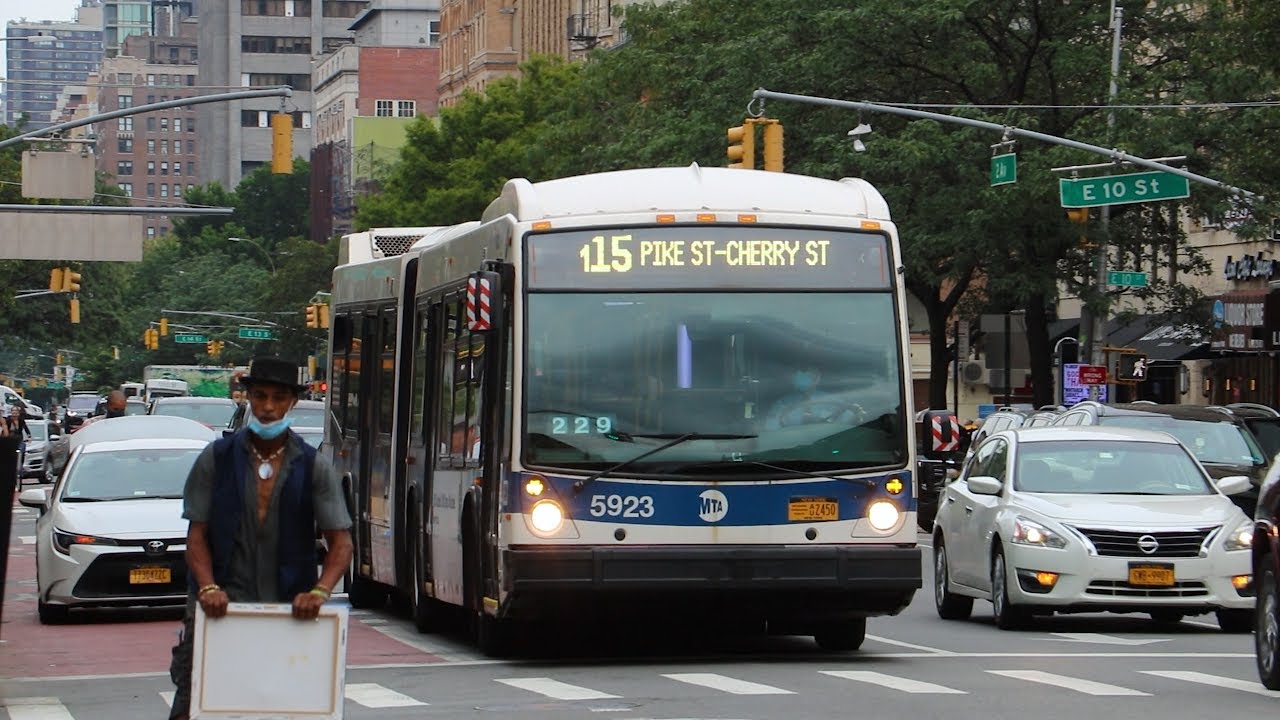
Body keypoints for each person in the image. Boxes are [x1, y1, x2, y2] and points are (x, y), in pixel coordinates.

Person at [167, 356, 353, 720]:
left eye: (279, 398)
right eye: (261, 396)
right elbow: (197, 535)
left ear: (293, 402)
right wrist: (207, 589)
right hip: (218, 608)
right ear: (247, 397)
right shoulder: (217, 458)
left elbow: (341, 542)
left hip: (285, 611)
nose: (268, 407)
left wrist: (318, 592)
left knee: (283, 706)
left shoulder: (313, 465)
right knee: (196, 701)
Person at [764, 365, 863, 430]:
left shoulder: (832, 400)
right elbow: (770, 427)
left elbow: (848, 423)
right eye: (802, 376)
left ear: (818, 378)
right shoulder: (783, 403)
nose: (805, 379)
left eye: (810, 376)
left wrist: (856, 416)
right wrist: (800, 422)